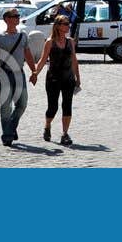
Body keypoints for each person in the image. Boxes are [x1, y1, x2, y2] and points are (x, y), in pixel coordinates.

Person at [0, 4, 38, 146]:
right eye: (15, 16)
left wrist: (34, 71)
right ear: (7, 19)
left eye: (18, 16)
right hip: (4, 74)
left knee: (22, 104)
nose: (18, 18)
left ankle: (11, 126)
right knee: (5, 107)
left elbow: (28, 54)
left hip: (19, 73)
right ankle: (8, 135)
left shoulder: (23, 35)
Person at [32, 14, 81, 146]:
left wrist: (78, 77)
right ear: (58, 26)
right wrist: (35, 73)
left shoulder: (70, 42)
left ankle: (65, 134)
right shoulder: (50, 42)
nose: (68, 26)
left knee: (67, 105)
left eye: (68, 23)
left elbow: (74, 60)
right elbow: (43, 60)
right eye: (65, 24)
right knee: (52, 107)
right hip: (53, 79)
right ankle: (47, 125)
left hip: (68, 78)